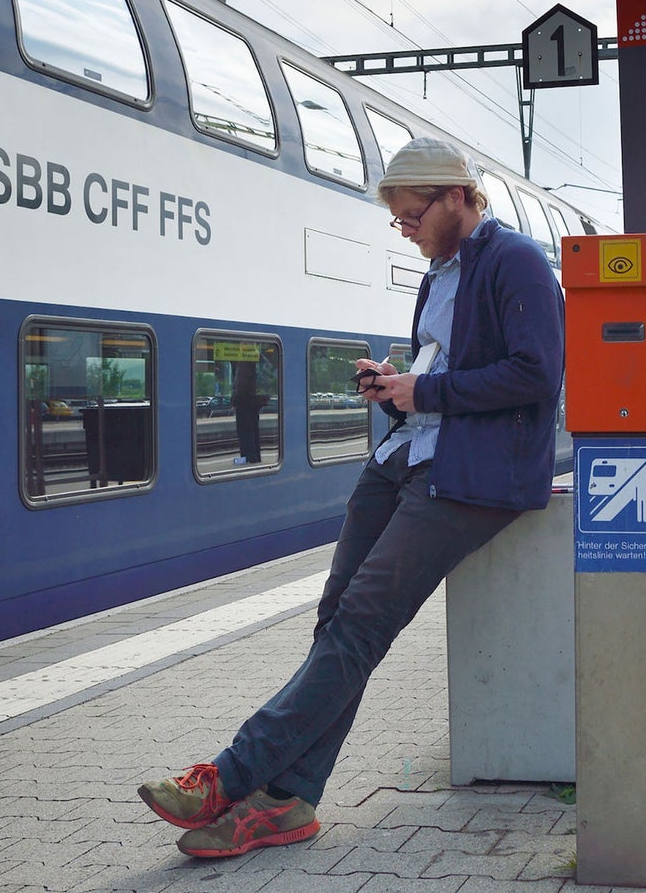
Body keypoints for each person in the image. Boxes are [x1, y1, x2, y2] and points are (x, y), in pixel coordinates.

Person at [138, 136, 565, 858]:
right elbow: (446, 376)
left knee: (361, 621)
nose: (407, 231)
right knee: (338, 618)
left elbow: (535, 373)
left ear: (456, 196)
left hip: (470, 478)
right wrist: (396, 392)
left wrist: (423, 390)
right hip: (405, 455)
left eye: (411, 216)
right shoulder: (438, 276)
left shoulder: (514, 261)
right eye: (398, 220)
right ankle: (289, 801)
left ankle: (230, 778)